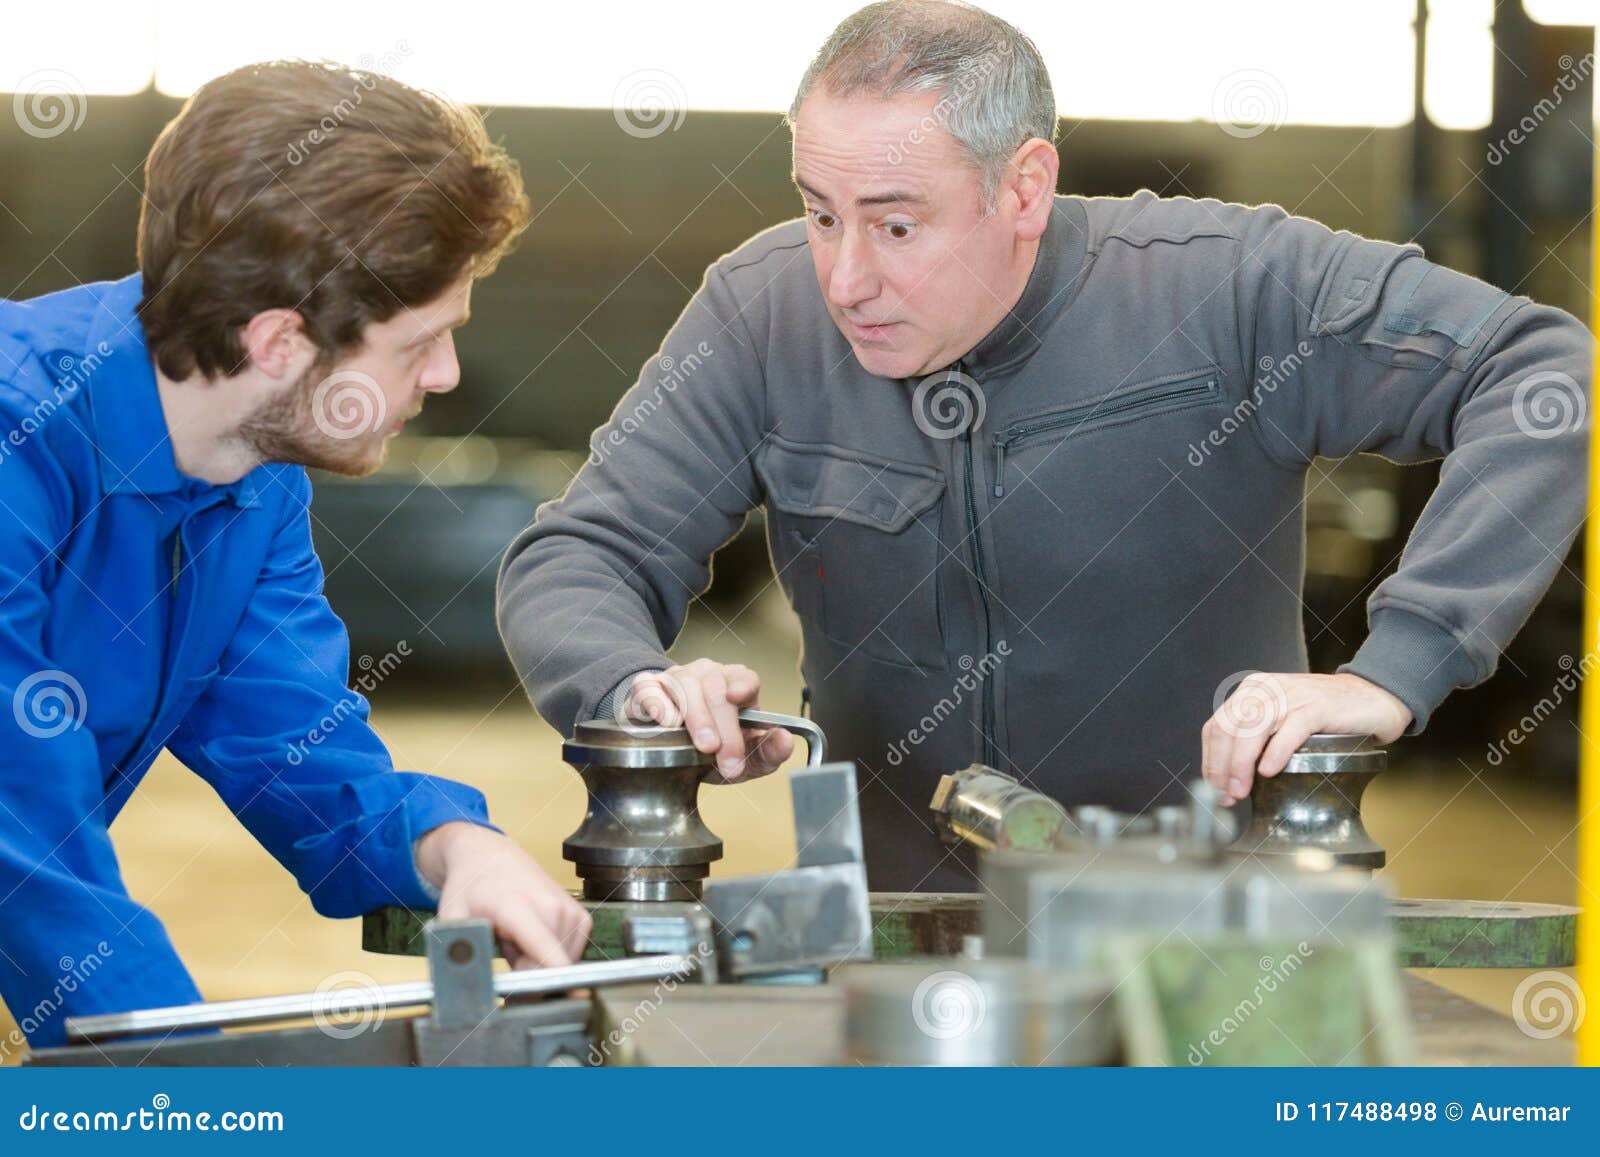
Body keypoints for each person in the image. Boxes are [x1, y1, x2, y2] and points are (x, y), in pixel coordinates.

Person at [497, 0, 1592, 893]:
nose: (844, 279)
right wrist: (634, 683)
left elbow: (1546, 371)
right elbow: (579, 553)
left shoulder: (1230, 293)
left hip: (1216, 957)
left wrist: (1395, 669)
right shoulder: (760, 312)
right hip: (905, 962)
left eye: (894, 223)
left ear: (1023, 187)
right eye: (819, 212)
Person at [0, 61, 589, 1050]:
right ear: (278, 342)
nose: (444, 375)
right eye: (418, 344)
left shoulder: (254, 481)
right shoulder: (19, 436)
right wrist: (182, 1087)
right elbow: (20, 843)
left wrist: (454, 846)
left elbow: (295, 747)